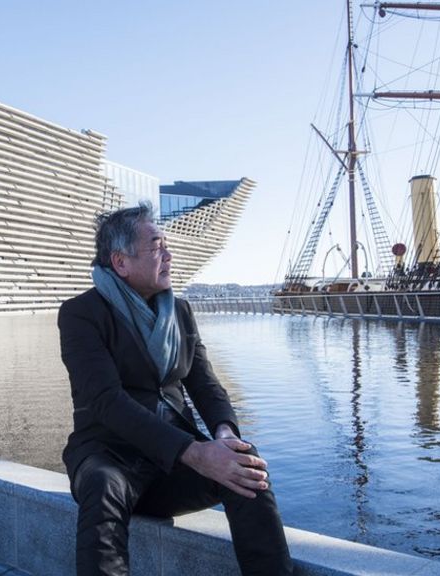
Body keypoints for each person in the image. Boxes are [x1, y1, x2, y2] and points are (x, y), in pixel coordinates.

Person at [58, 202, 293, 576]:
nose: (169, 255)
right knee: (103, 487)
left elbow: (205, 383)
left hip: (169, 468)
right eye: (156, 247)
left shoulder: (179, 311)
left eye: (167, 245)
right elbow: (106, 401)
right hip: (109, 455)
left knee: (246, 464)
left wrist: (224, 432)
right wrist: (195, 453)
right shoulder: (81, 313)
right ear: (121, 262)